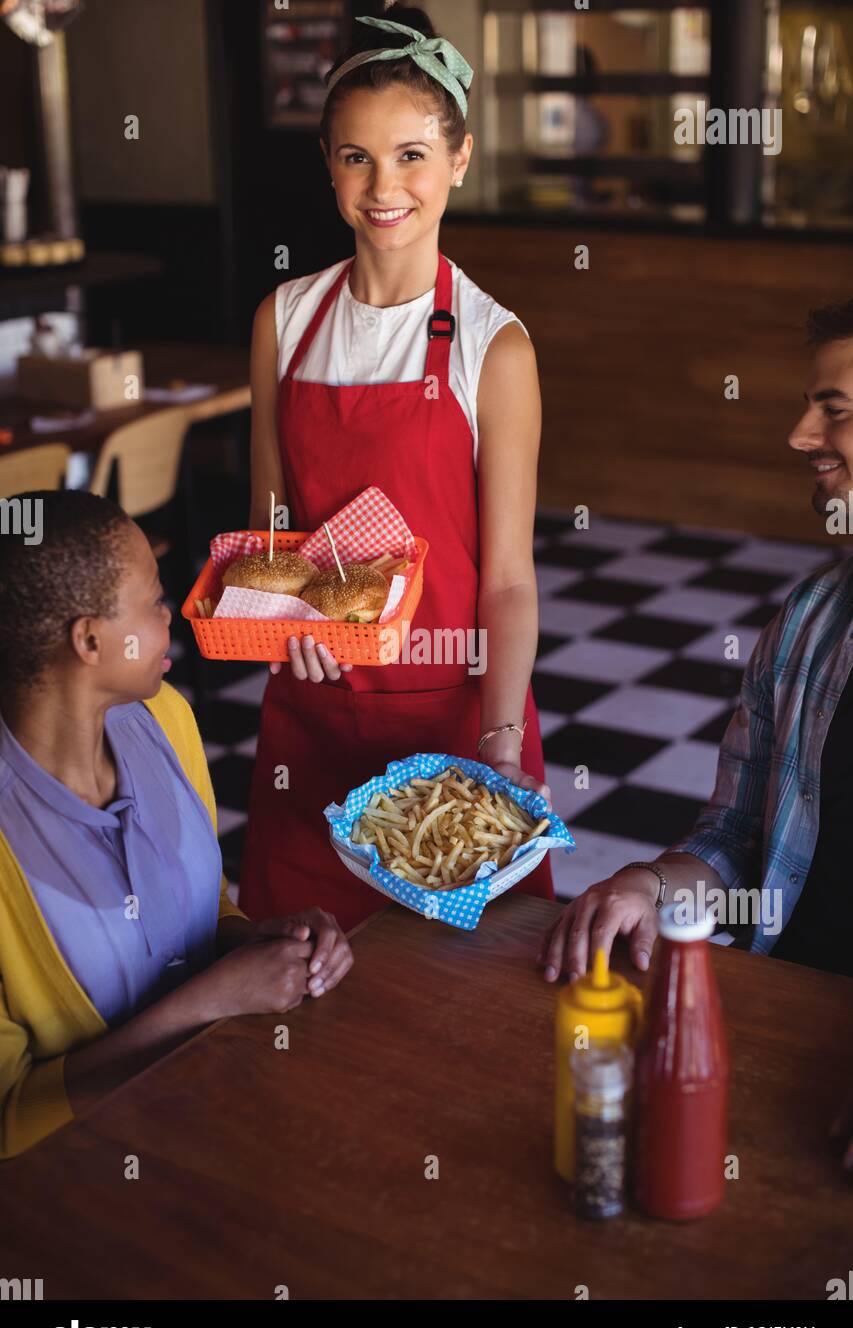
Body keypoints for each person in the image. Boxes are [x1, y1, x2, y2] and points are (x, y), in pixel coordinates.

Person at [540, 290, 853, 1196]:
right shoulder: (809, 619)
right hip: (784, 1027)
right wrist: (653, 885)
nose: (801, 435)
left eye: (832, 409)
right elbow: (736, 839)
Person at [240, 6, 555, 928]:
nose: (385, 186)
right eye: (356, 157)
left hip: (452, 723)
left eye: (413, 154)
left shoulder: (494, 350)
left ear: (460, 158)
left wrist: (498, 747)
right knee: (297, 982)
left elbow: (506, 580)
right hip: (315, 708)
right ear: (329, 162)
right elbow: (269, 538)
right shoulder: (282, 321)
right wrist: (277, 623)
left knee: (464, 1000)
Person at [0, 491, 352, 1159]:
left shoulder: (166, 720)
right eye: (155, 599)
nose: (173, 617)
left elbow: (204, 911)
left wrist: (262, 942)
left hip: (226, 1116)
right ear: (89, 639)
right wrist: (209, 1003)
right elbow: (10, 1120)